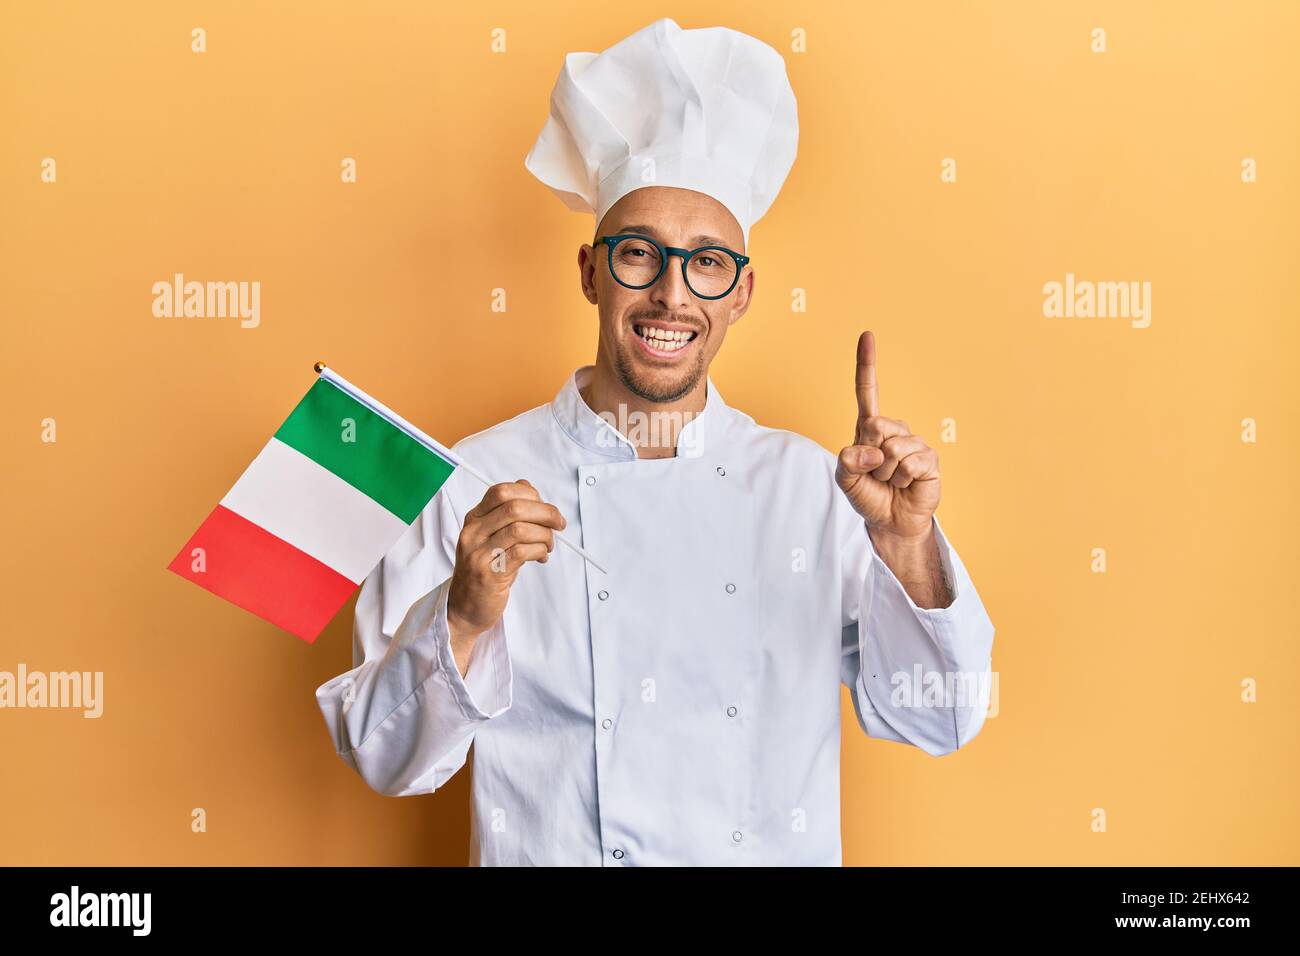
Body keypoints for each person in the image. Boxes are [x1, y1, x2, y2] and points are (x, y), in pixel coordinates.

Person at [315, 17, 995, 866]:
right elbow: (381, 757)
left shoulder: (813, 491)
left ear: (741, 294)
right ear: (592, 272)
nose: (672, 295)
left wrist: (907, 544)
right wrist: (461, 617)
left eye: (707, 263)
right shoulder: (475, 484)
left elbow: (944, 716)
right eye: (640, 254)